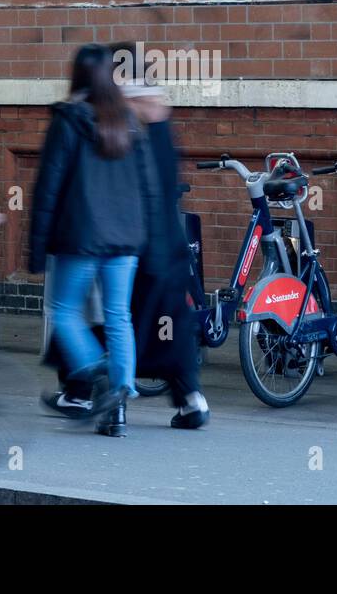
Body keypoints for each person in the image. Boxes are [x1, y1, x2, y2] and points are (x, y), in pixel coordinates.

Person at [29, 44, 155, 437]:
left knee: (63, 310)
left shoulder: (69, 119)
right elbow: (149, 188)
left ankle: (96, 373)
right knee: (119, 316)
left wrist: (36, 247)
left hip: (81, 237)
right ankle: (118, 403)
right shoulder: (131, 123)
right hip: (125, 240)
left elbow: (48, 187)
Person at [118, 61, 210, 430]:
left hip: (141, 249)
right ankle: (192, 400)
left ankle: (114, 399)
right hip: (169, 249)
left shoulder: (137, 135)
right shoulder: (161, 132)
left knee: (121, 321)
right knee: (172, 324)